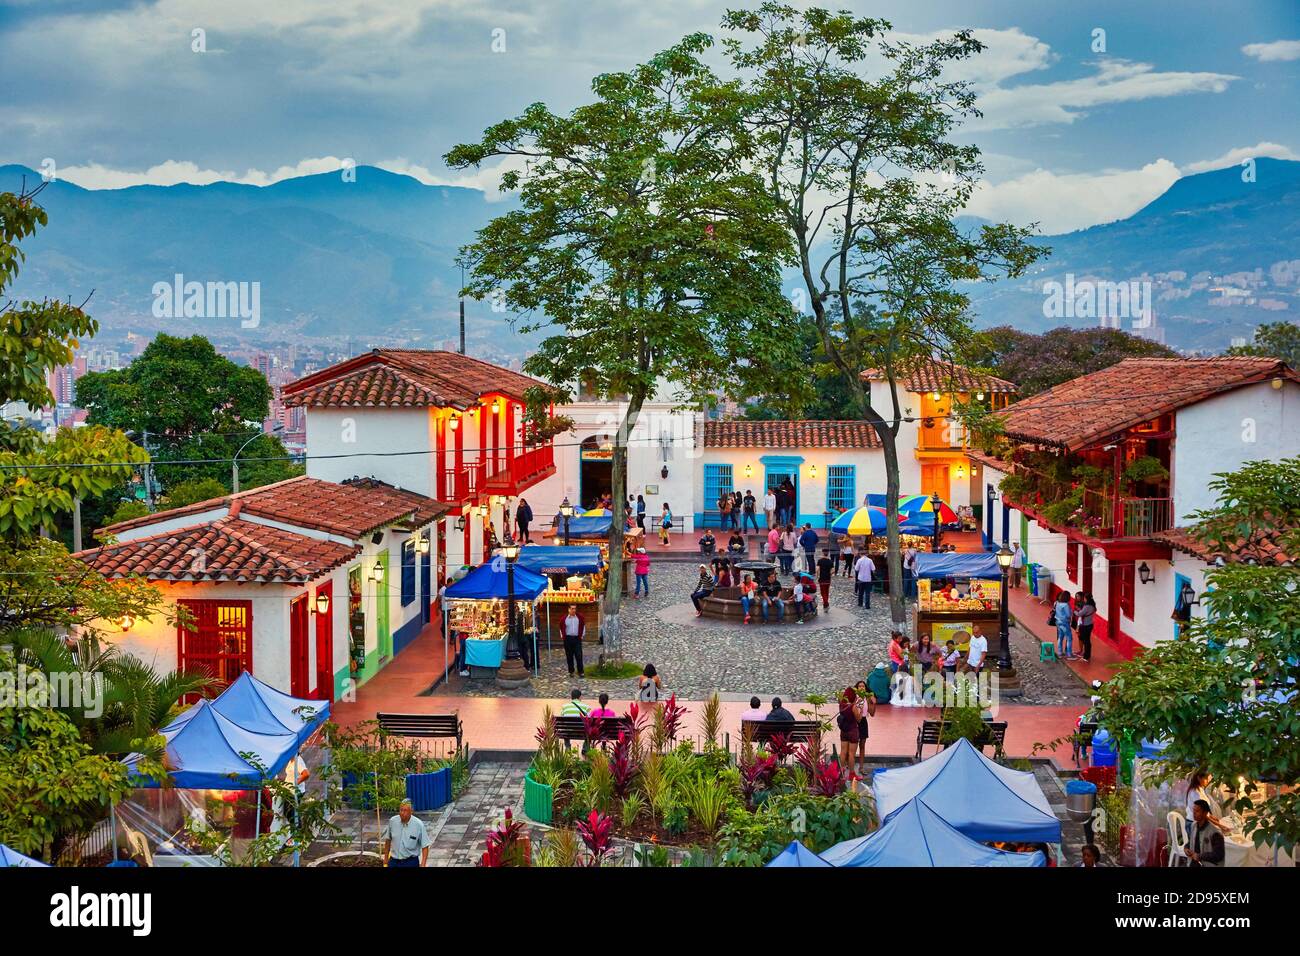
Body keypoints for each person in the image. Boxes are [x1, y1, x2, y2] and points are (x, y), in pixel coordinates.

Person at [382, 798, 430, 867]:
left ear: (411, 811)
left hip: (410, 862)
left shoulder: (418, 825)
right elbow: (388, 840)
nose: (402, 813)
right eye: (401, 810)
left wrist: (423, 864)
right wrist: (386, 858)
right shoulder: (392, 821)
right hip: (394, 861)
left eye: (405, 810)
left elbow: (425, 846)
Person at [1185, 800, 1225, 867]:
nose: (1194, 813)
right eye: (1193, 810)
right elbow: (1191, 841)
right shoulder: (1193, 825)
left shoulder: (1215, 832)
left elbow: (1219, 855)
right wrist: (1186, 848)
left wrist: (1200, 856)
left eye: (1197, 811)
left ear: (1205, 813)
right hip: (1194, 863)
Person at [837, 687, 863, 779]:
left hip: (843, 730)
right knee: (851, 754)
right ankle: (852, 774)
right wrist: (861, 709)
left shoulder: (841, 705)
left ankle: (841, 771)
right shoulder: (853, 707)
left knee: (843, 752)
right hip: (852, 731)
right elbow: (859, 719)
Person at [853, 679, 874, 775]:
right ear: (856, 688)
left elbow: (872, 713)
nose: (862, 687)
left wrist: (873, 703)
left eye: (863, 686)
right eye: (860, 686)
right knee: (853, 746)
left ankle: (861, 767)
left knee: (862, 745)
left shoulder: (867, 698)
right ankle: (851, 767)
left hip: (863, 722)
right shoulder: (854, 697)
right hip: (854, 722)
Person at [561, 604, 585, 676]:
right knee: (569, 655)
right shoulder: (564, 618)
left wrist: (582, 635)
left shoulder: (579, 617)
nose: (574, 610)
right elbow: (561, 627)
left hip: (577, 638)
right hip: (568, 639)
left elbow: (583, 626)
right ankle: (571, 671)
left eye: (575, 608)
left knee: (579, 655)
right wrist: (563, 636)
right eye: (572, 608)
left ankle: (580, 671)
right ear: (568, 609)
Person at [1075, 591, 1096, 662]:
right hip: (1090, 624)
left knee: (1085, 641)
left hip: (1085, 625)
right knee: (1087, 641)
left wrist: (1075, 611)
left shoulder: (1087, 607)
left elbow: (1079, 614)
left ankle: (1086, 657)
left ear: (1086, 598)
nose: (1083, 599)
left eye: (1084, 598)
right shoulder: (1093, 606)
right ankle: (1087, 655)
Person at [1053, 590, 1075, 660]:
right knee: (1069, 638)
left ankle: (1060, 652)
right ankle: (1069, 654)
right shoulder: (1065, 605)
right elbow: (1068, 615)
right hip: (1065, 623)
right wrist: (1071, 611)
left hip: (1058, 622)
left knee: (1060, 637)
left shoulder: (1057, 603)